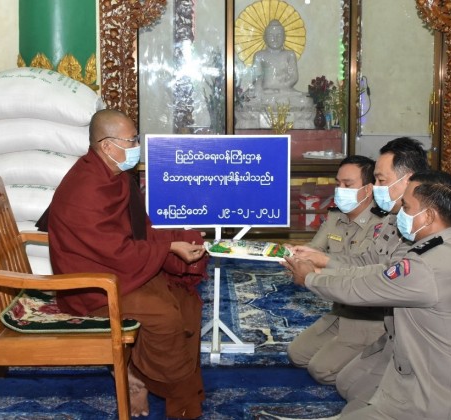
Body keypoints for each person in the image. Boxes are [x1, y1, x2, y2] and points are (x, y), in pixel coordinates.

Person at [285, 171, 451, 419]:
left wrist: (310, 278)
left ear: (428, 216)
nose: (400, 213)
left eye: (406, 206)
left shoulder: (425, 266)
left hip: (432, 403)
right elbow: (381, 274)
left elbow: (363, 290)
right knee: (352, 392)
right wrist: (322, 268)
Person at [47, 109, 208, 419]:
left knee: (184, 299)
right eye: (132, 140)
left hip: (117, 271)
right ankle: (149, 381)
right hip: (90, 286)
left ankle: (175, 385)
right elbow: (114, 250)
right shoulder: (86, 188)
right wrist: (168, 247)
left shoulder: (113, 176)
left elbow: (136, 229)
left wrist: (177, 239)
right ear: (107, 146)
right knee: (165, 316)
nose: (137, 146)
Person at [287, 137, 429, 407]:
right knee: (300, 356)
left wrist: (313, 277)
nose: (377, 189)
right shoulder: (391, 221)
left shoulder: (421, 231)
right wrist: (322, 260)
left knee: (336, 378)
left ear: (407, 179)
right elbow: (365, 262)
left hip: (393, 325)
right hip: (358, 308)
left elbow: (379, 278)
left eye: (380, 180)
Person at [286, 155, 388, 385]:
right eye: (338, 183)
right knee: (297, 354)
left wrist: (318, 263)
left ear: (368, 189)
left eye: (348, 185)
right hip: (341, 310)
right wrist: (294, 255)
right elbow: (314, 249)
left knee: (322, 370)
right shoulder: (335, 216)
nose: (340, 190)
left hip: (370, 317)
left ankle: (382, 361)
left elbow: (368, 271)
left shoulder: (383, 224)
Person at [236, 19, 313, 129]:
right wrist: (258, 91)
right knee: (245, 103)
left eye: (279, 35)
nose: (275, 38)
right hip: (265, 93)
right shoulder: (260, 55)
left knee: (305, 101)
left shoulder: (289, 54)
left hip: (285, 92)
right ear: (265, 37)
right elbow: (257, 77)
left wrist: (282, 87)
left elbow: (294, 77)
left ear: (284, 37)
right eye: (271, 35)